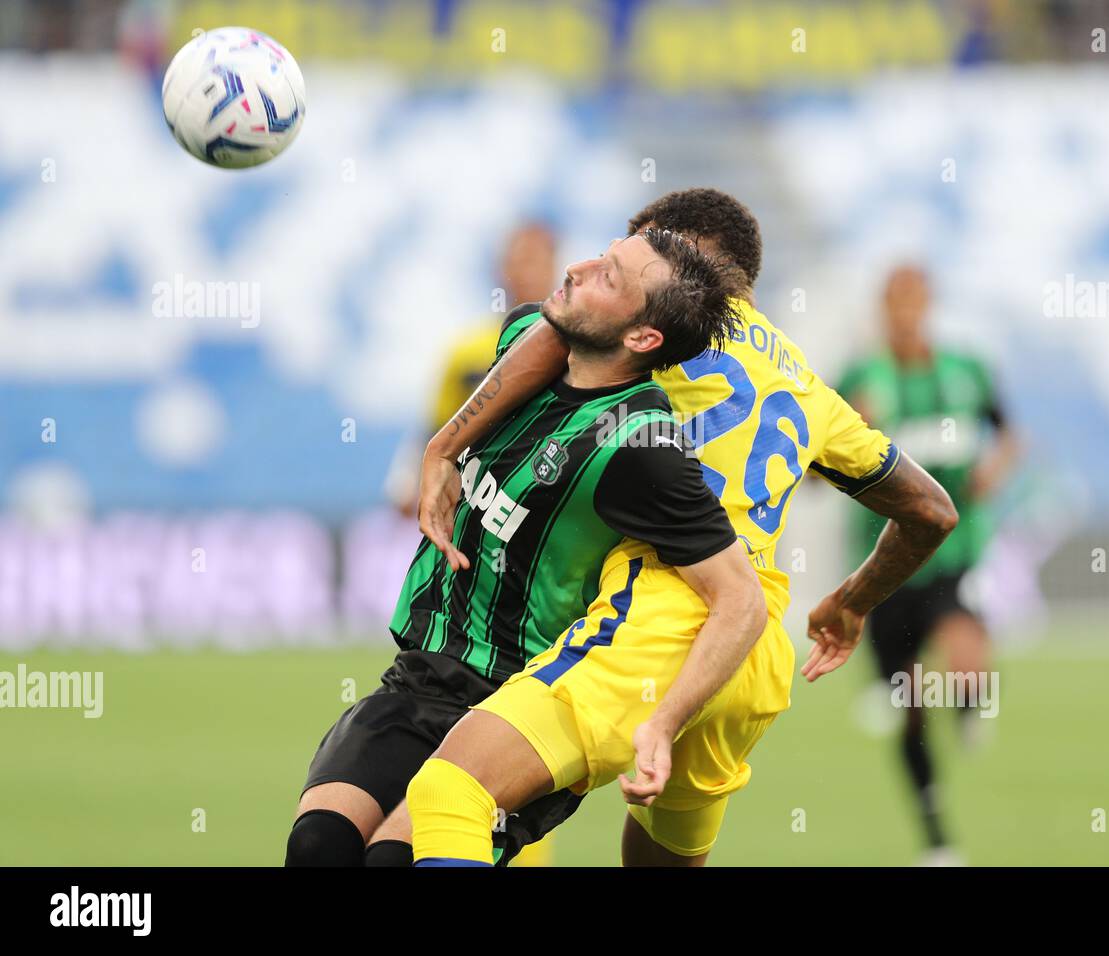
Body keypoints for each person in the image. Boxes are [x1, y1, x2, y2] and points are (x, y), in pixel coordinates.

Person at [409, 190, 958, 865]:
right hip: (755, 655)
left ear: (690, 260)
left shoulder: (663, 328)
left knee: (451, 789)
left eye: (648, 254)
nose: (631, 270)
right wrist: (852, 602)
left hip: (669, 613)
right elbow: (931, 512)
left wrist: (444, 445)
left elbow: (552, 331)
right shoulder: (806, 383)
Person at [286, 228, 751, 867]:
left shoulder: (644, 448)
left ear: (643, 338)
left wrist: (664, 723)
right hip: (426, 671)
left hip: (519, 706)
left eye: (610, 278)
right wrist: (442, 448)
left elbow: (741, 602)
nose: (581, 268)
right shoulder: (521, 342)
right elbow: (540, 332)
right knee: (319, 844)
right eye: (601, 256)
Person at [833, 263, 1019, 864]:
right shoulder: (862, 378)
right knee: (911, 707)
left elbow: (1009, 433)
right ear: (883, 308)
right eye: (895, 302)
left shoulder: (966, 370)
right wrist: (849, 436)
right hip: (886, 568)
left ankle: (969, 705)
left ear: (929, 304)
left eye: (914, 301)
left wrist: (996, 467)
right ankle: (936, 833)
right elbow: (815, 463)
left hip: (954, 554)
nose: (905, 312)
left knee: (967, 657)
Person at [385, 223, 558, 517]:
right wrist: (406, 483)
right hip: (481, 503)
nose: (528, 273)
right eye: (520, 261)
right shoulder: (467, 352)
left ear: (555, 267)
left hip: (549, 498)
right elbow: (437, 428)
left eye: (537, 261)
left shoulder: (576, 347)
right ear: (502, 270)